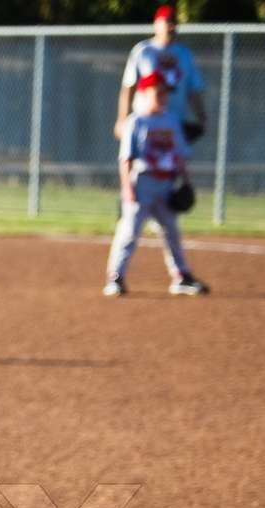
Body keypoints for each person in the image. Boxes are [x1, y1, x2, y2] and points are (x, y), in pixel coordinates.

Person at [105, 73, 208, 298]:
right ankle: (115, 277)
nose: (163, 97)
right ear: (144, 93)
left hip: (166, 184)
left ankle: (181, 277)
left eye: (166, 93)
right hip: (142, 183)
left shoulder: (171, 121)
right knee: (129, 232)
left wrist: (186, 181)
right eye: (158, 92)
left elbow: (179, 155)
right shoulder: (136, 121)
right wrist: (127, 187)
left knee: (172, 231)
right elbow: (125, 158)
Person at [115, 5, 207, 146]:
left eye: (174, 22)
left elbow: (193, 90)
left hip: (174, 123)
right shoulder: (143, 51)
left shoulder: (184, 54)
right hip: (145, 123)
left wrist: (202, 118)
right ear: (156, 24)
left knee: (175, 159)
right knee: (142, 158)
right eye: (167, 21)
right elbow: (129, 87)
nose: (171, 26)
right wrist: (122, 118)